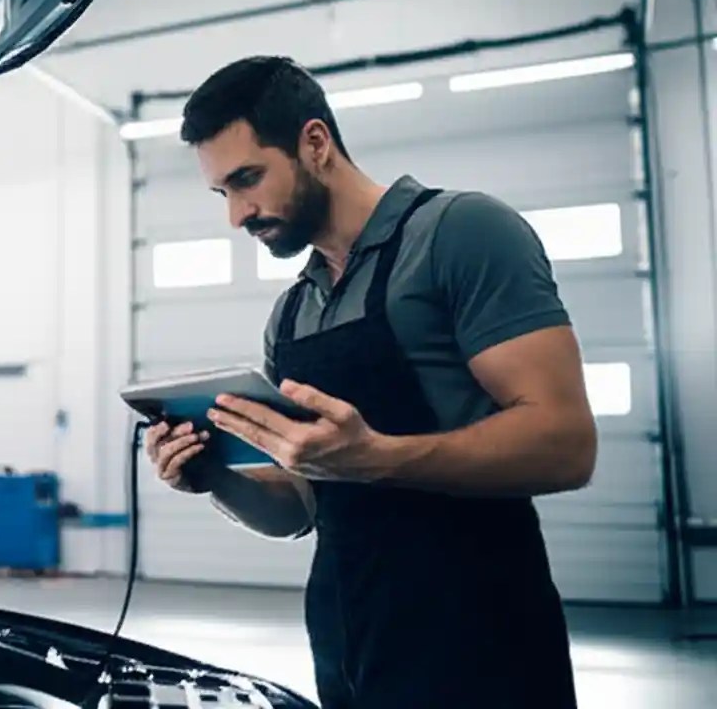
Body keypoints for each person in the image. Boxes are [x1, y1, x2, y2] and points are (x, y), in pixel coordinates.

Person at [145, 55, 595, 709]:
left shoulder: (461, 233)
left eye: (248, 179)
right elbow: (300, 508)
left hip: (482, 644)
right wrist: (214, 476)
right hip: (348, 645)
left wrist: (376, 457)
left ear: (315, 143)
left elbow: (567, 443)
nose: (237, 216)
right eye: (223, 194)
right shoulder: (292, 315)